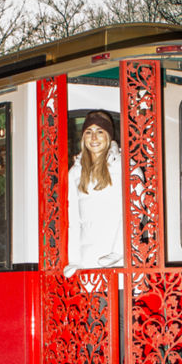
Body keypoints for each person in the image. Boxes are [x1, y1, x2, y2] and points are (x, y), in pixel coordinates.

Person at [65, 110, 124, 276]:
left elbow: (132, 213)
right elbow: (74, 220)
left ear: (109, 136)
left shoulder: (125, 166)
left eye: (100, 132)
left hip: (119, 263)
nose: (94, 138)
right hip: (88, 262)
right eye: (88, 132)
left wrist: (118, 251)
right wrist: (75, 260)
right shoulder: (75, 172)